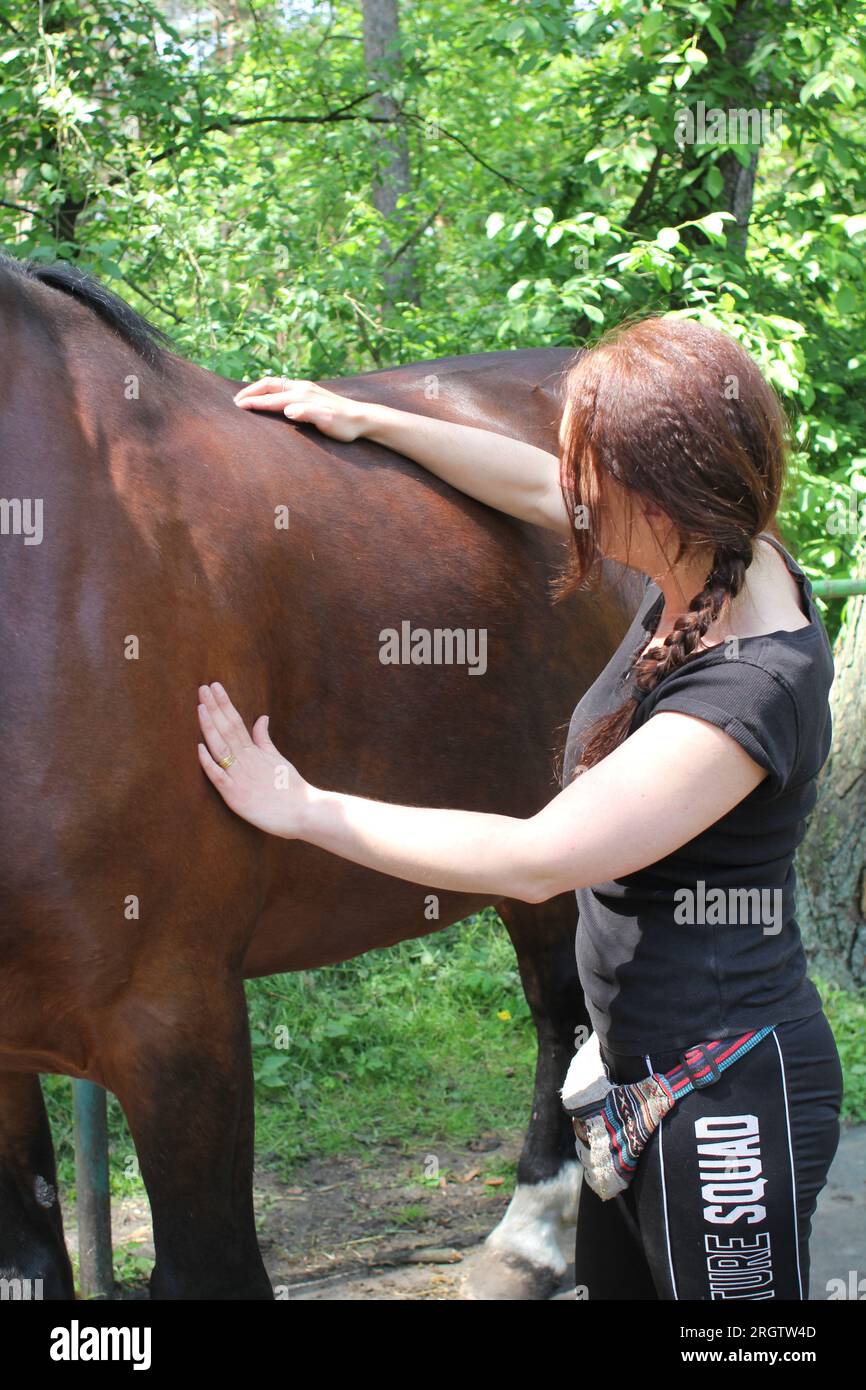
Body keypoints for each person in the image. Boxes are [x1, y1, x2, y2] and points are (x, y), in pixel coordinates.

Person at [195, 316, 843, 1300]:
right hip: (635, 1078)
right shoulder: (711, 558)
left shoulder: (742, 687)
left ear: (664, 495)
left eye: (590, 469)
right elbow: (530, 486)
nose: (567, 487)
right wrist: (369, 422)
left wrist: (303, 807)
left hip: (720, 1104)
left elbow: (539, 855)